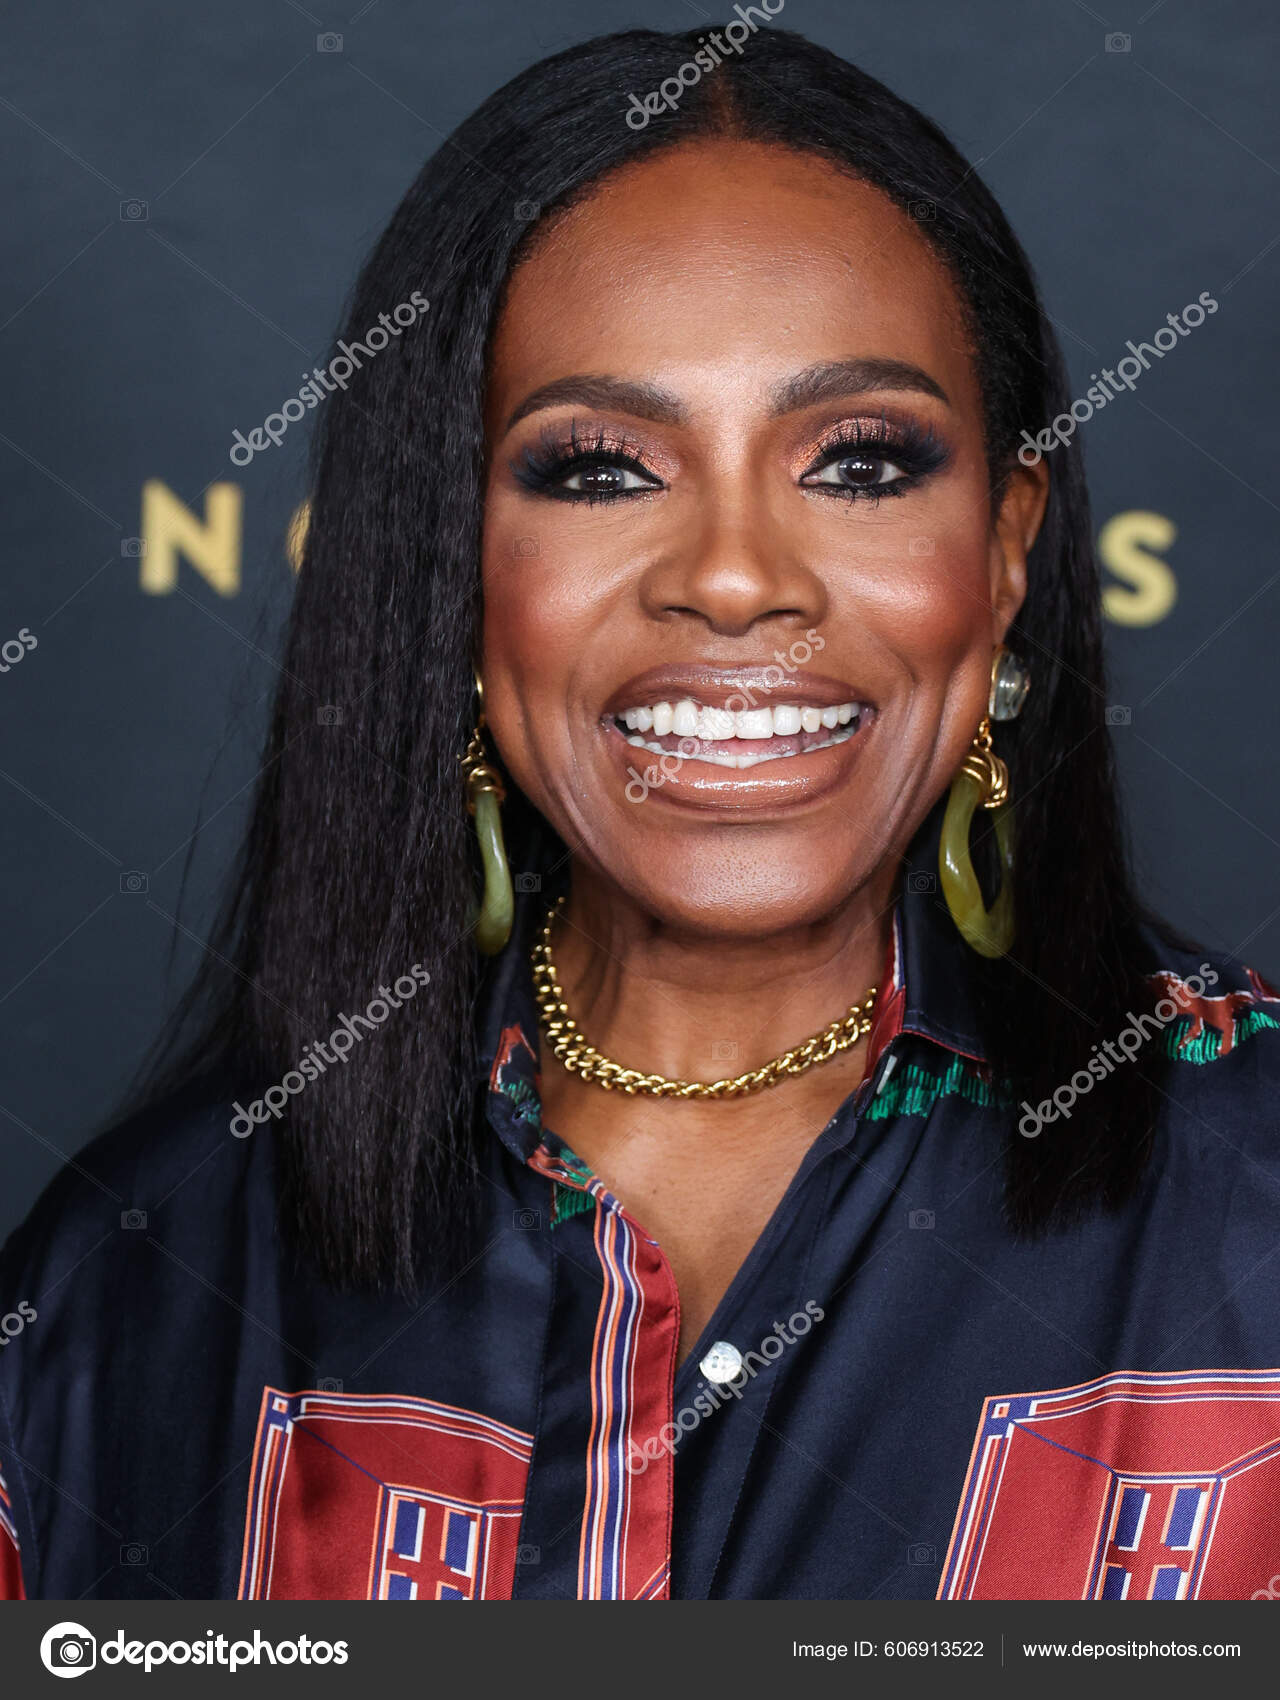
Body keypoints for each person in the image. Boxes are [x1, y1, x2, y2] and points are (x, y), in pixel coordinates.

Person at [4, 25, 1279, 1604]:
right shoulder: (132, 1277)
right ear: (448, 569)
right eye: (601, 471)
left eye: (863, 462)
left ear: (1008, 550)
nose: (736, 577)